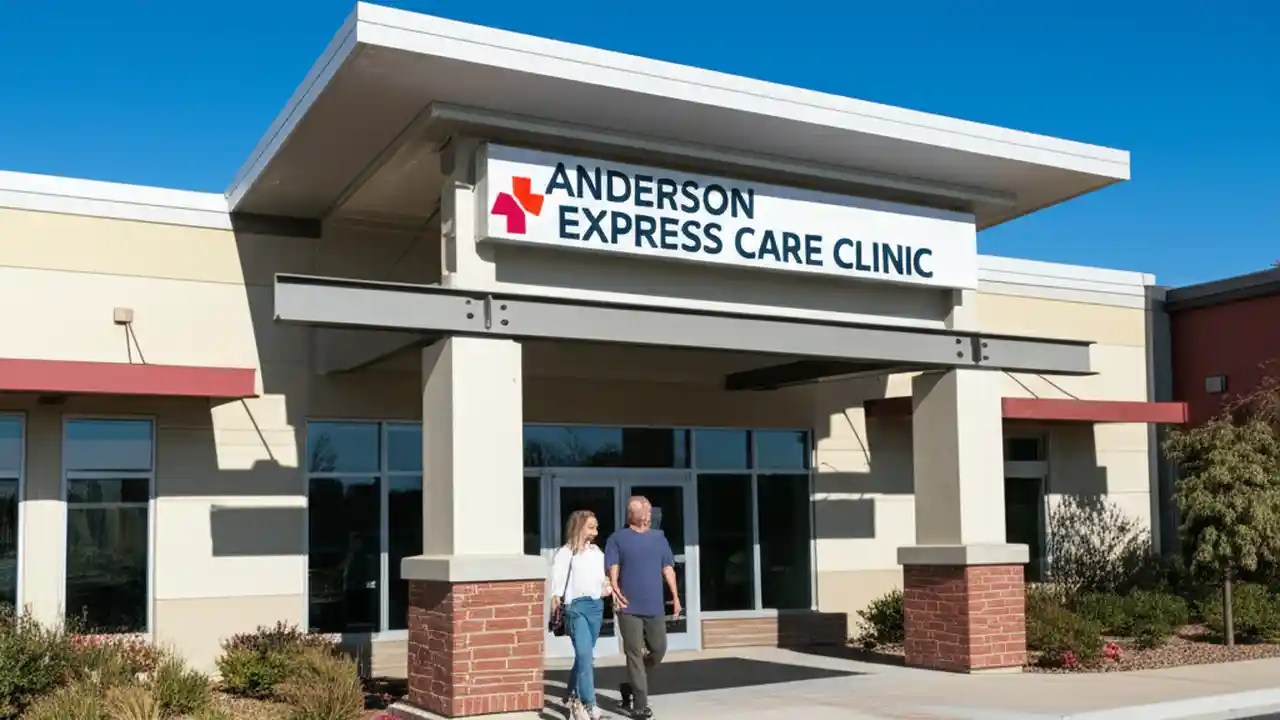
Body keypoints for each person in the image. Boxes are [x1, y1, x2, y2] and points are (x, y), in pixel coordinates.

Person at [605, 496, 680, 720]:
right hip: (628, 605)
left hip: (654, 604)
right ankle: (640, 705)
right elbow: (613, 565)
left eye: (648, 513)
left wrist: (675, 597)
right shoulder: (618, 538)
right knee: (634, 653)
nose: (647, 517)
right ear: (632, 515)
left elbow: (668, 568)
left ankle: (630, 685)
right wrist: (616, 587)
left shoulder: (659, 538)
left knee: (658, 649)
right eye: (643, 514)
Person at [551, 510, 611, 720]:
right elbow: (556, 582)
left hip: (596, 606)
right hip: (575, 608)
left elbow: (603, 578)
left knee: (583, 658)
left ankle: (571, 696)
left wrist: (607, 586)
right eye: (591, 527)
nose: (595, 532)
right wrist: (555, 598)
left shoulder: (597, 552)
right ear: (579, 527)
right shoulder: (566, 553)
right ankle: (589, 704)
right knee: (586, 656)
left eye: (596, 527)